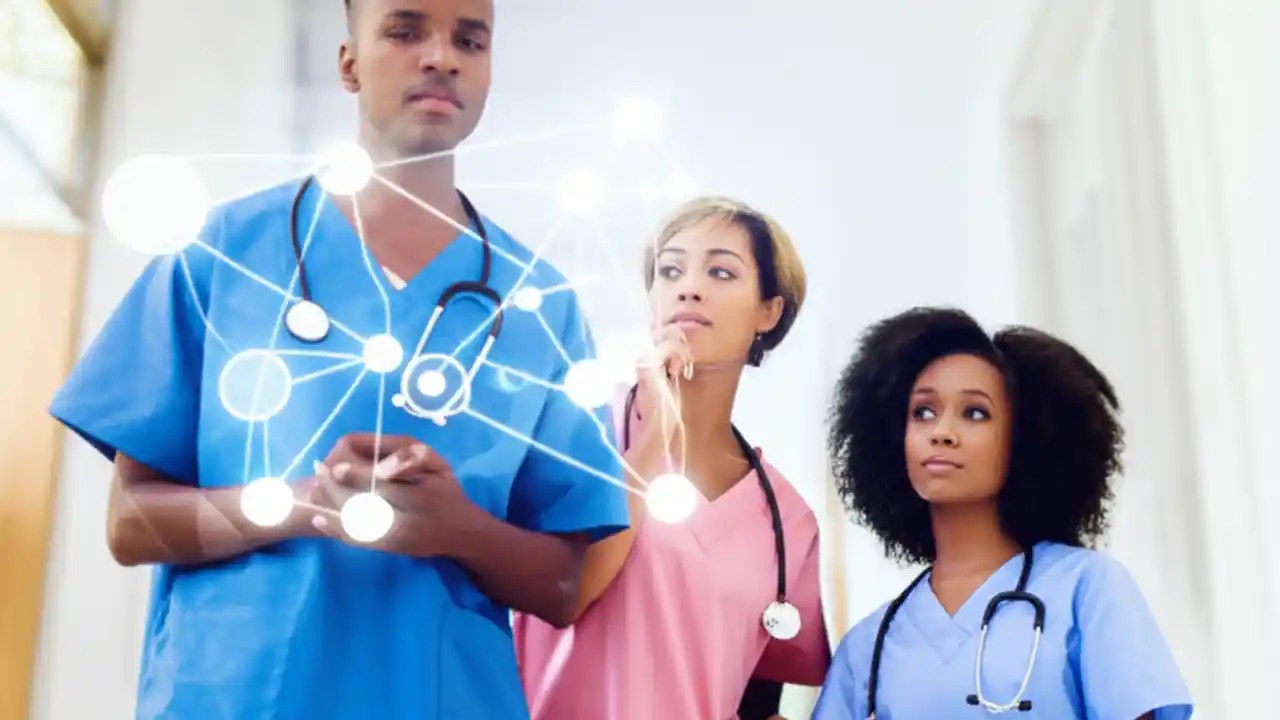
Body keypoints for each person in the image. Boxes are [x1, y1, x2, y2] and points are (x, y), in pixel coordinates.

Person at [48, 1, 628, 717]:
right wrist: (299, 505)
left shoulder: (541, 304)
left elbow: (566, 586)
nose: (442, 56)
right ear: (348, 62)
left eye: (470, 40)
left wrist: (456, 528)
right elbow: (131, 524)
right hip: (237, 694)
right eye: (406, 30)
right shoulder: (220, 252)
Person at [513, 197, 831, 720]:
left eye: (721, 271)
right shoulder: (576, 427)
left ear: (768, 312)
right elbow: (572, 590)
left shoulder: (787, 521)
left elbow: (759, 696)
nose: (688, 286)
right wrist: (656, 433)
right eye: (670, 270)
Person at [813, 307, 1192, 719]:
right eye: (923, 411)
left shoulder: (1086, 587)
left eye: (975, 412)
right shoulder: (870, 647)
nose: (941, 431)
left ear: (1027, 438)